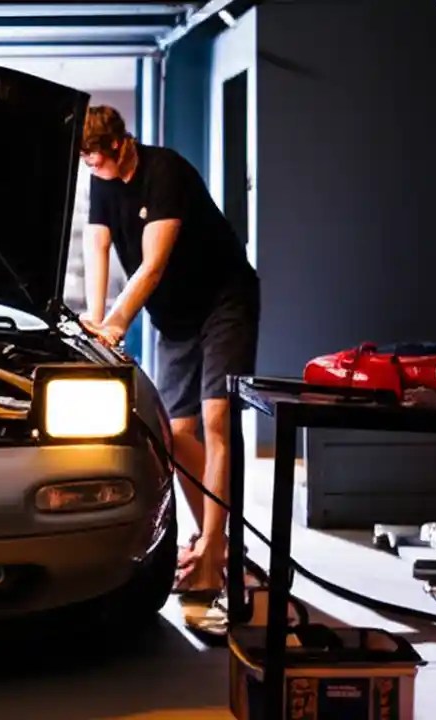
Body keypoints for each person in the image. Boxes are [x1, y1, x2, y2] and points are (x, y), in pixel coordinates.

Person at [77, 106, 261, 612]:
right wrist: (95, 319)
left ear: (119, 147)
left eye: (97, 162)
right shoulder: (101, 179)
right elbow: (98, 246)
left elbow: (153, 265)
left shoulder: (166, 172)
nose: (93, 171)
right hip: (174, 318)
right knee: (177, 436)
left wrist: (117, 323)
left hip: (224, 300)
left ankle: (214, 553)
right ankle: (215, 542)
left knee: (216, 419)